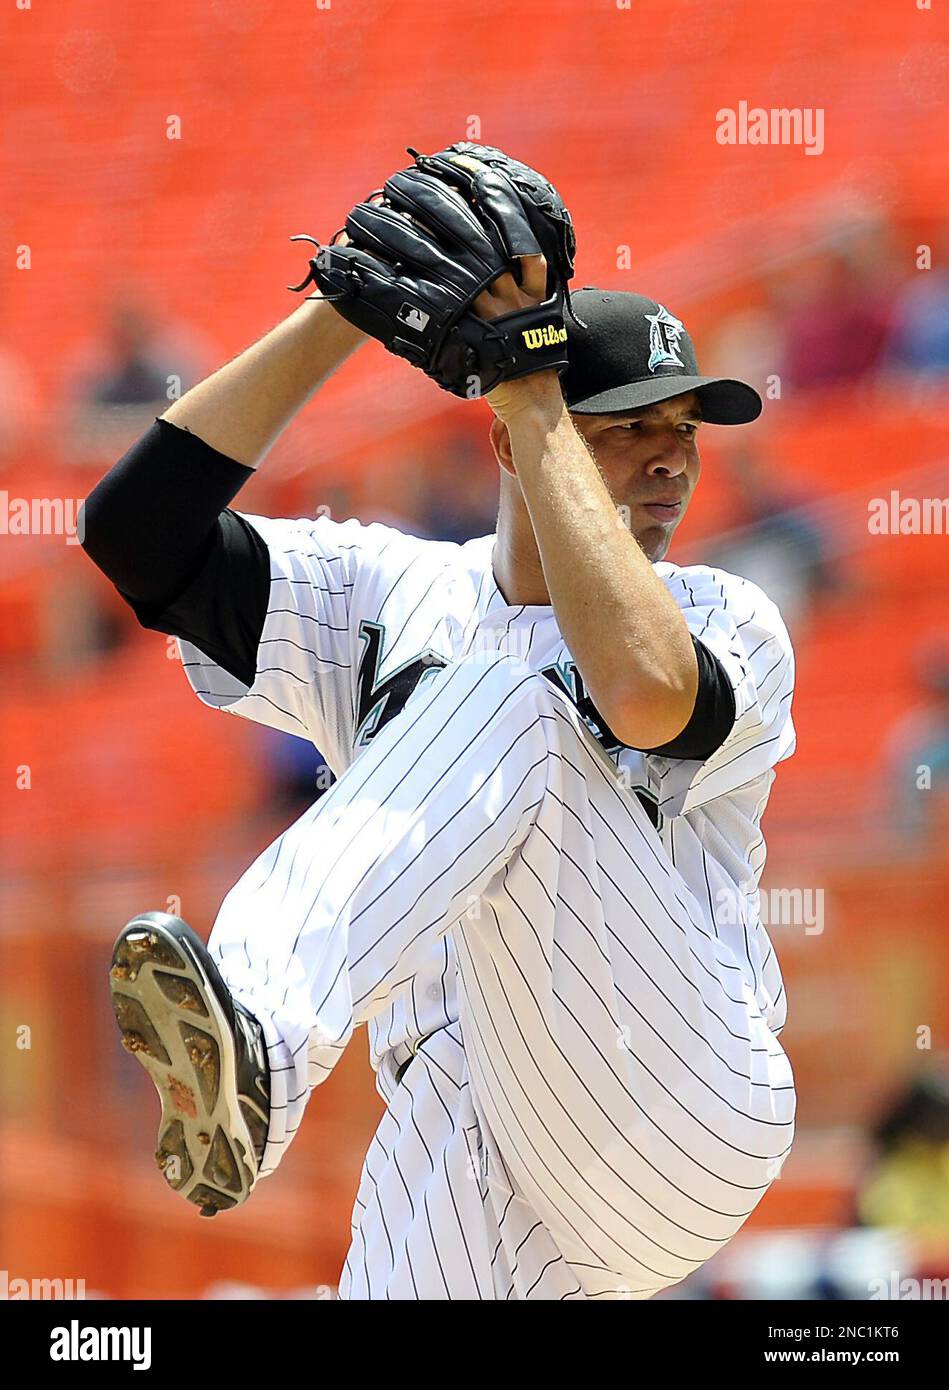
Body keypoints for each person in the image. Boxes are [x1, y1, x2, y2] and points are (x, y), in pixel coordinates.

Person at [82, 203, 797, 1298]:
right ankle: (250, 1064)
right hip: (467, 1118)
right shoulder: (388, 592)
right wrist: (341, 314)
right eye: (629, 427)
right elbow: (137, 537)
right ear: (512, 444)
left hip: (673, 1093)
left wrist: (529, 384)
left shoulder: (720, 613)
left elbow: (648, 694)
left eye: (686, 432)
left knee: (512, 704)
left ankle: (262, 1033)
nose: (671, 462)